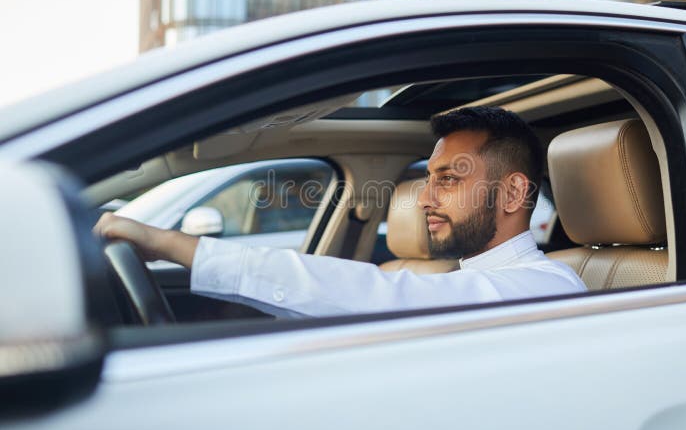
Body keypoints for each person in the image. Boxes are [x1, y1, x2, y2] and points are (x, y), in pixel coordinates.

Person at [95, 106, 586, 317]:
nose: (425, 198)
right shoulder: (466, 281)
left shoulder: (546, 290)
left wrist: (166, 242)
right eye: (429, 177)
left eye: (449, 179)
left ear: (512, 192)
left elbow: (380, 296)